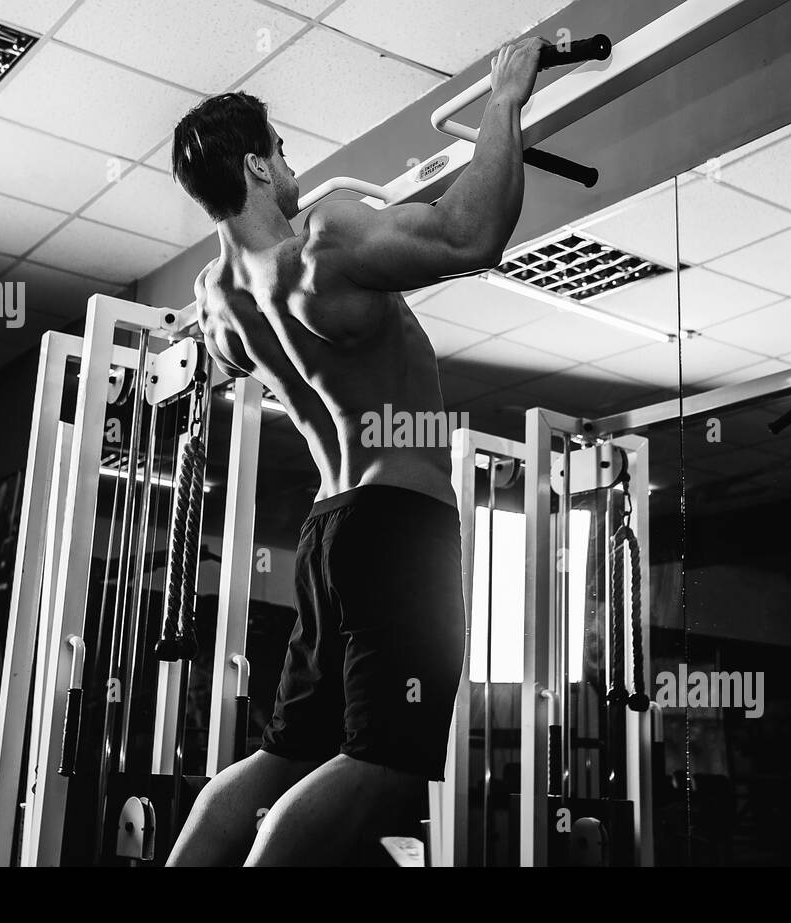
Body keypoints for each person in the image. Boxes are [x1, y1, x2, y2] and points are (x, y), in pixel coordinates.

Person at [164, 39, 545, 866]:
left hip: (327, 531)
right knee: (389, 766)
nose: (293, 166)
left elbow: (233, 359)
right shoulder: (323, 243)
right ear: (258, 169)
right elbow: (472, 236)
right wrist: (505, 100)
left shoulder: (219, 297)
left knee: (289, 755)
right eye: (281, 151)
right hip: (398, 523)